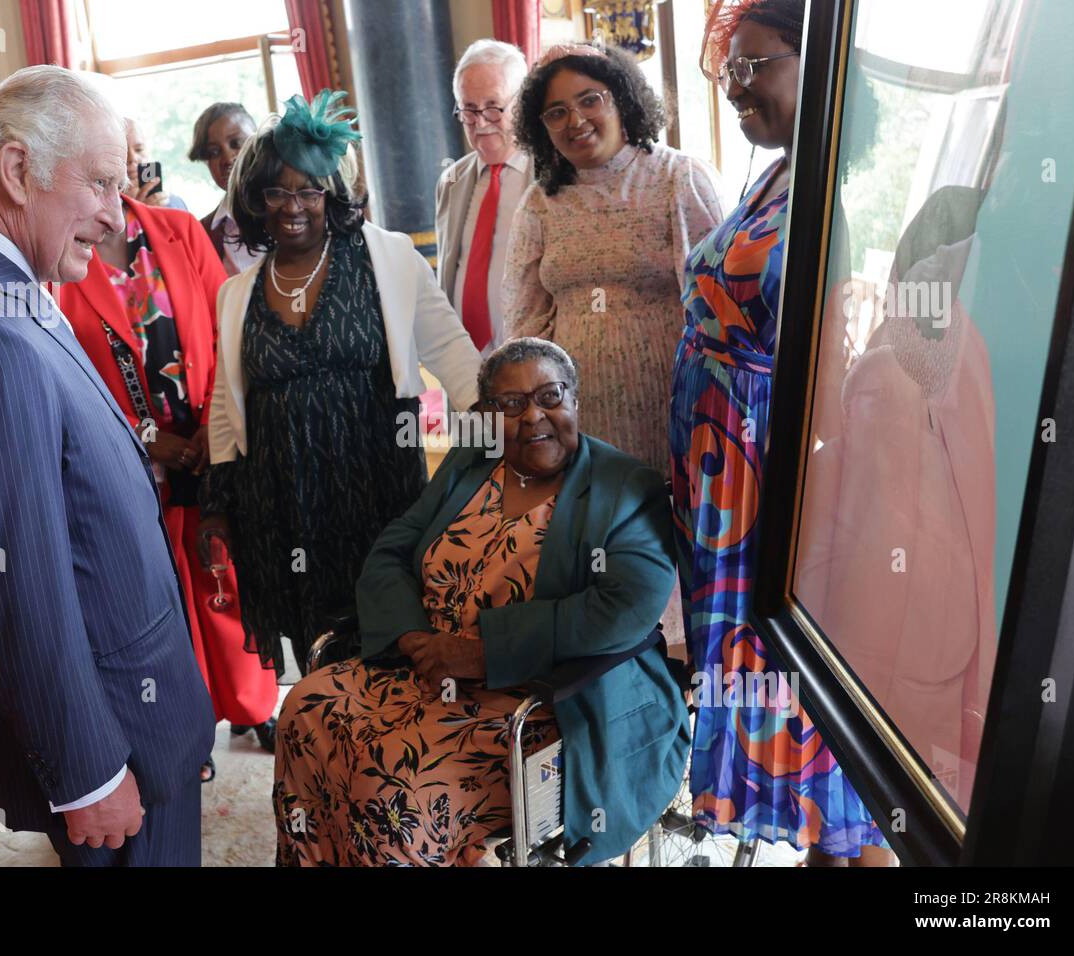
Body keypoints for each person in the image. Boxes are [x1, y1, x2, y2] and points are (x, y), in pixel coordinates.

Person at [0, 65, 215, 867]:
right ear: (18, 171)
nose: (113, 212)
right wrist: (87, 770)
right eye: (99, 182)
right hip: (112, 738)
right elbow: (14, 580)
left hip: (124, 711)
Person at [273, 338, 689, 866]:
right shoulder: (473, 463)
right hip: (424, 668)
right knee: (305, 709)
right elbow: (393, 549)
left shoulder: (624, 486)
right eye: (510, 404)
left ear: (576, 401)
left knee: (393, 794)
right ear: (488, 419)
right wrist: (413, 638)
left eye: (550, 395)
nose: (533, 415)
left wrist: (479, 655)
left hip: (540, 703)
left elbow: (627, 607)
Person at [670, 0, 892, 865]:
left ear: (822, 67)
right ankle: (817, 847)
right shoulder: (776, 173)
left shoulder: (839, 187)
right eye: (729, 72)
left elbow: (843, 362)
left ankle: (855, 847)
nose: (735, 88)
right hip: (723, 472)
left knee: (802, 677)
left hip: (776, 477)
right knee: (757, 673)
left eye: (756, 66)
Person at [198, 90, 482, 677]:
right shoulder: (237, 293)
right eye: (277, 190)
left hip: (376, 484)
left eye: (309, 190)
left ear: (334, 193)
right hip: (279, 501)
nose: (292, 206)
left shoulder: (390, 259)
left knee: (393, 638)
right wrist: (218, 507)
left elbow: (452, 351)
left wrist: (500, 435)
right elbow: (229, 402)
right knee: (321, 653)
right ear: (255, 198)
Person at [57, 186, 279, 775]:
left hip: (212, 437)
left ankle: (255, 704)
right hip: (129, 453)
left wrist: (215, 422)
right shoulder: (60, 250)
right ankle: (188, 726)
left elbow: (229, 329)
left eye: (115, 162)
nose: (104, 181)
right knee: (166, 595)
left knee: (226, 571)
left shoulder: (178, 229)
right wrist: (151, 438)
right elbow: (67, 372)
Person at [504, 42, 724, 476]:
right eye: (556, 112)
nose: (576, 120)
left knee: (665, 539)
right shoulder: (539, 204)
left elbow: (722, 311)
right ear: (541, 127)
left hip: (679, 414)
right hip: (578, 429)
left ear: (622, 99)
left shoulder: (680, 179)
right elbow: (523, 325)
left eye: (590, 100)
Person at [435, 39, 533, 354]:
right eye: (469, 110)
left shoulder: (552, 177)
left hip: (534, 363)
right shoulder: (451, 180)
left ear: (521, 104)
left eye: (493, 107)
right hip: (467, 363)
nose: (480, 123)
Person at [189, 101, 260, 276]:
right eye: (213, 152)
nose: (228, 159)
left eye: (236, 143)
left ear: (260, 142)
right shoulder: (202, 234)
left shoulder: (293, 211)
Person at [124, 117, 188, 211]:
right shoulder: (104, 211)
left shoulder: (175, 204)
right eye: (123, 151)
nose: (132, 158)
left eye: (139, 150)